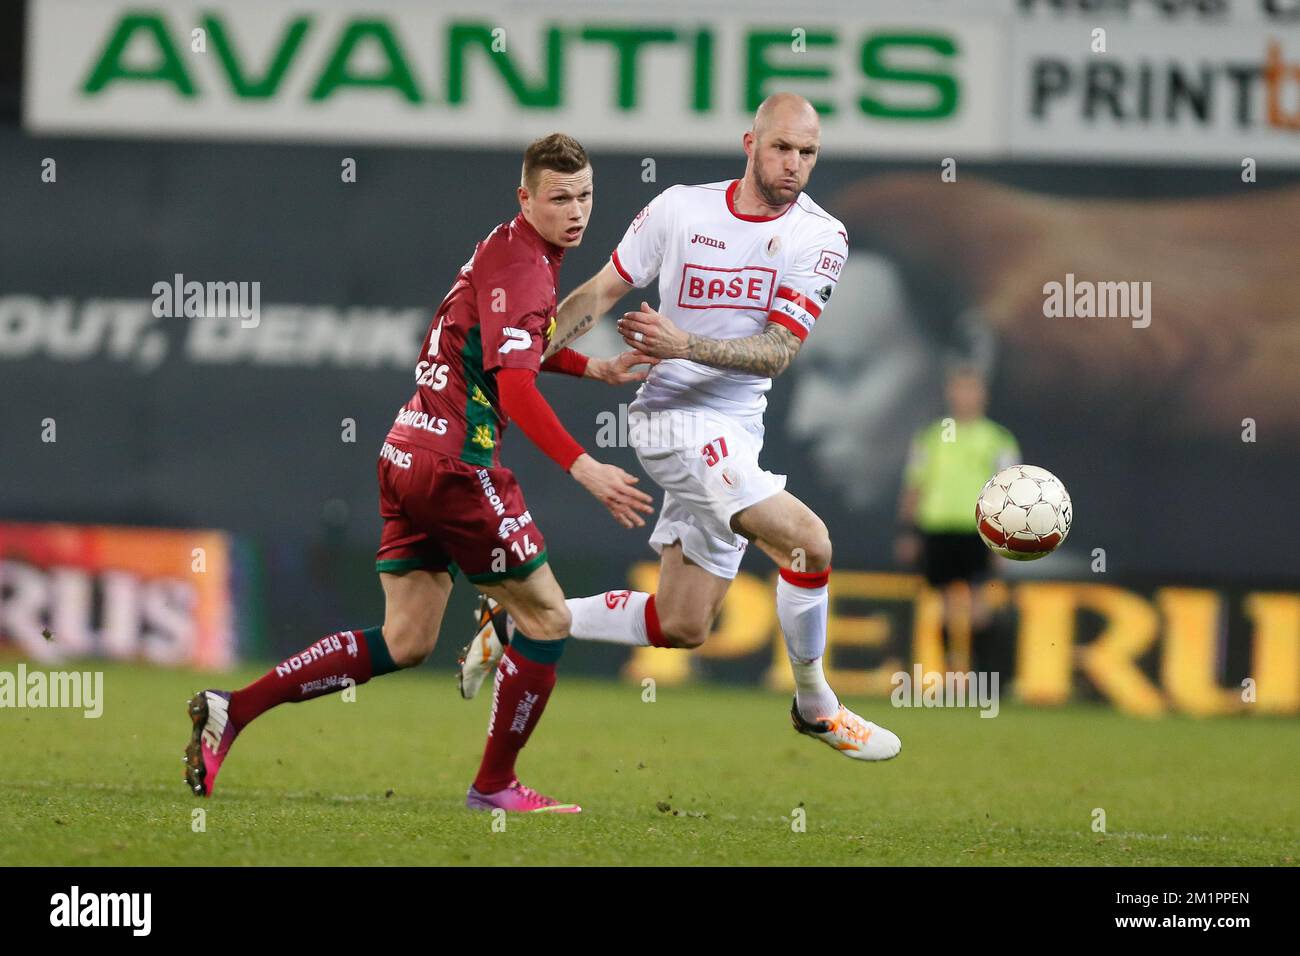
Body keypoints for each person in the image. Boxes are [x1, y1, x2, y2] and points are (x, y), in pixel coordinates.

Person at [183, 133, 655, 814]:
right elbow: (515, 387)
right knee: (549, 620)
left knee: (406, 640)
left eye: (585, 196)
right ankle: (494, 785)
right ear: (526, 197)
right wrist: (585, 467)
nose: (576, 211)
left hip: (406, 453)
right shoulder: (526, 268)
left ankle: (234, 708)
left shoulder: (508, 247)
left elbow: (496, 346)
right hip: (458, 467)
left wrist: (594, 367)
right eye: (560, 198)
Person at [459, 94, 901, 762]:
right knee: (809, 542)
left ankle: (523, 615)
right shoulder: (679, 208)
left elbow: (780, 351)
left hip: (735, 431)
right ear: (749, 143)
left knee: (684, 623)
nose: (794, 165)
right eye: (782, 148)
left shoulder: (821, 237)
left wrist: (682, 341)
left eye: (808, 153)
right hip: (671, 421)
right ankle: (816, 705)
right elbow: (602, 292)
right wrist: (532, 345)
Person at [894, 365, 1020, 674]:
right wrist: (908, 531)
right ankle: (953, 675)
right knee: (946, 604)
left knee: (979, 604)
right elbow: (915, 485)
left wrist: (1005, 540)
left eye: (971, 389)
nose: (965, 397)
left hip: (979, 530)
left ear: (983, 396)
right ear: (950, 394)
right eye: (959, 389)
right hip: (938, 528)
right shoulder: (932, 437)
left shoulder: (997, 439)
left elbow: (1010, 491)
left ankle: (983, 674)